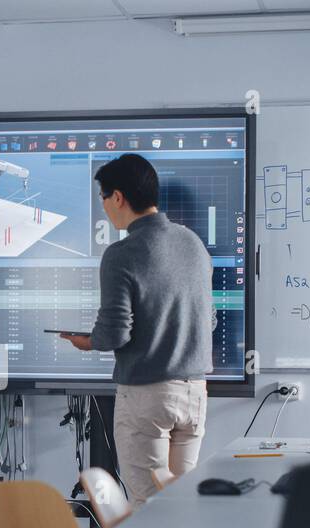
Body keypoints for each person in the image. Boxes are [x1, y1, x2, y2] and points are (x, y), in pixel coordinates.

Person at [62, 154, 212, 508]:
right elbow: (210, 318)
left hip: (148, 396)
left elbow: (115, 334)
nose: (103, 208)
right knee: (179, 505)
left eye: (102, 198)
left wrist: (89, 342)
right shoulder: (192, 242)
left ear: (118, 197)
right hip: (195, 395)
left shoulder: (122, 253)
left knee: (149, 509)